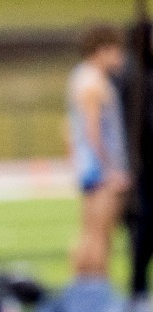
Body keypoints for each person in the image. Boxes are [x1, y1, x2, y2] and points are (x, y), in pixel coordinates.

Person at [69, 25, 129, 282]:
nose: (121, 59)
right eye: (117, 52)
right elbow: (94, 132)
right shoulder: (92, 82)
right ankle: (94, 294)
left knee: (91, 233)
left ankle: (84, 293)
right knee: (98, 236)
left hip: (90, 167)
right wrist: (110, 169)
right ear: (102, 50)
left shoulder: (82, 76)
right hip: (99, 170)